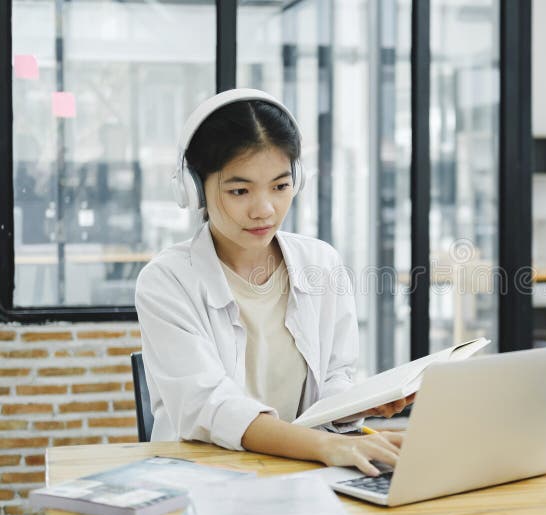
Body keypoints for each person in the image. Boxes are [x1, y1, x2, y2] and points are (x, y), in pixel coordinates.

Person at [135, 89, 410, 477]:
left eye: (280, 187)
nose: (264, 209)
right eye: (239, 191)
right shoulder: (166, 281)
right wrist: (327, 446)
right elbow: (212, 407)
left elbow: (332, 380)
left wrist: (362, 405)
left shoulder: (321, 263)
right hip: (204, 478)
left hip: (301, 472)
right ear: (194, 188)